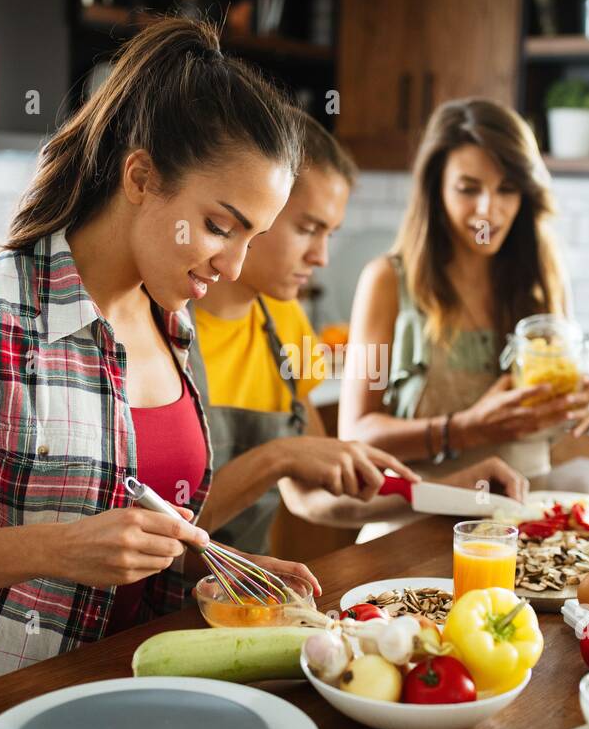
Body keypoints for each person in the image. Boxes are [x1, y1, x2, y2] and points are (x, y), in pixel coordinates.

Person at [0, 18, 315, 727]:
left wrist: (220, 566)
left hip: (109, 722)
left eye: (252, 238)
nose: (233, 266)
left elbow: (135, 531)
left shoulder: (171, 326)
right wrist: (60, 549)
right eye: (221, 227)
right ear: (140, 177)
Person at [192, 112, 530, 551]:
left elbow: (312, 497)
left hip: (243, 595)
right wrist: (279, 457)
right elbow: (153, 521)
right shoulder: (159, 325)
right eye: (308, 228)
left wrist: (450, 491)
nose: (322, 257)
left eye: (331, 233)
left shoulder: (284, 322)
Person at [340, 98, 589, 492]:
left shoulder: (545, 273)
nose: (489, 210)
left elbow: (567, 393)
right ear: (435, 189)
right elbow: (356, 434)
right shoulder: (386, 281)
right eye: (468, 189)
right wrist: (463, 431)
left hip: (529, 517)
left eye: (507, 189)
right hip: (417, 519)